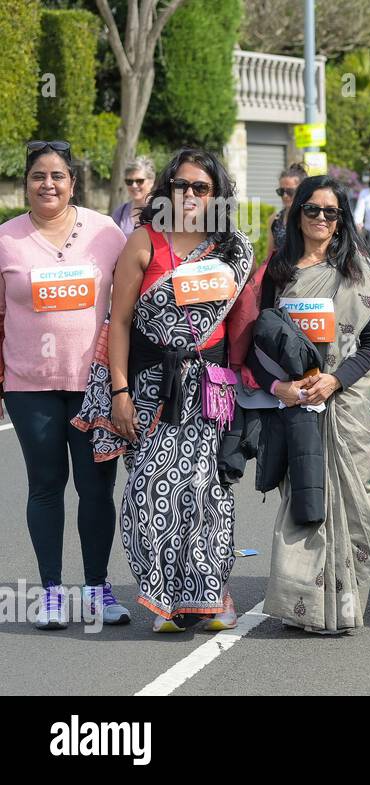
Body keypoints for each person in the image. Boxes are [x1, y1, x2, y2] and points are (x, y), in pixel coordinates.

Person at [73, 147, 253, 633]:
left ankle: (213, 594)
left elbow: (240, 323)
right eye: (181, 186)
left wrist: (248, 391)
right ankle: (165, 599)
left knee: (206, 492)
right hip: (151, 388)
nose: (190, 195)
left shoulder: (231, 247)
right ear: (166, 190)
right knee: (152, 492)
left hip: (211, 388)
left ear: (217, 195)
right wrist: (120, 392)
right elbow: (121, 322)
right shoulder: (143, 241)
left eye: (201, 187)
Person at [236, 176, 370, 634]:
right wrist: (277, 386)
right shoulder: (278, 274)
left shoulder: (360, 274)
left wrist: (335, 380)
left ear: (342, 219)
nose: (322, 219)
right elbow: (252, 345)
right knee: (304, 498)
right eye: (312, 210)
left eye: (332, 212)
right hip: (297, 405)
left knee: (356, 509)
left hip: (347, 406)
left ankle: (343, 609)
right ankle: (301, 605)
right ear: (296, 213)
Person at [2, 141, 127, 630]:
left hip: (94, 386)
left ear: (73, 182)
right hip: (30, 387)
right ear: (26, 183)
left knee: (97, 489)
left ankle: (96, 588)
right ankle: (51, 592)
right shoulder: (6, 239)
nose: (47, 184)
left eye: (57, 176)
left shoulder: (105, 233)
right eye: (38, 176)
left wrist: (124, 383)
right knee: (46, 487)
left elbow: (128, 305)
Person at [266, 164, 307, 262]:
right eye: (281, 191)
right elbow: (269, 257)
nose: (284, 196)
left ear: (302, 191)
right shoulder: (274, 219)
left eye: (290, 191)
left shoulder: (309, 218)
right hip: (279, 274)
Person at [110, 156, 155, 236]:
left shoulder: (162, 211)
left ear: (151, 182)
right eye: (129, 181)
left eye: (139, 181)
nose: (134, 185)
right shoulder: (119, 213)